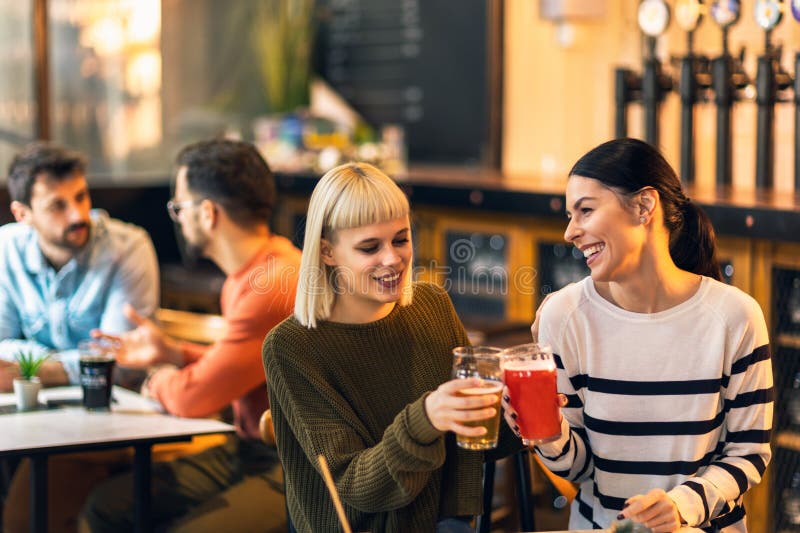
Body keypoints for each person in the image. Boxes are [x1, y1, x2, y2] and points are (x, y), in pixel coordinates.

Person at [504, 138, 773, 532]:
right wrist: (547, 432)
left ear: (644, 206)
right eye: (569, 215)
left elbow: (748, 454)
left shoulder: (735, 316)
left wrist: (681, 507)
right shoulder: (563, 316)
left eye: (586, 211)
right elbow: (578, 470)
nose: (570, 232)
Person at [262, 162, 521, 533]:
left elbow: (475, 442)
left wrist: (519, 415)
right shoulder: (292, 347)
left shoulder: (430, 306)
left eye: (401, 239)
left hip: (445, 523)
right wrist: (427, 418)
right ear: (327, 252)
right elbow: (355, 486)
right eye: (370, 247)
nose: (392, 258)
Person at [82, 139, 301, 532]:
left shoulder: (272, 284)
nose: (178, 219)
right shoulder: (256, 272)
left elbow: (192, 397)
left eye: (179, 208)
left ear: (207, 213)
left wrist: (159, 380)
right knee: (106, 507)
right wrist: (173, 352)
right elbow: (246, 366)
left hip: (294, 468)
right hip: (249, 449)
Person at [0, 141, 158, 391]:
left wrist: (28, 369)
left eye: (81, 197)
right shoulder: (7, 247)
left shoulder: (128, 247)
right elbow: (2, 342)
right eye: (57, 206)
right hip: (42, 402)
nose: (78, 215)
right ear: (22, 215)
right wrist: (66, 363)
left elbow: (121, 361)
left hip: (115, 403)